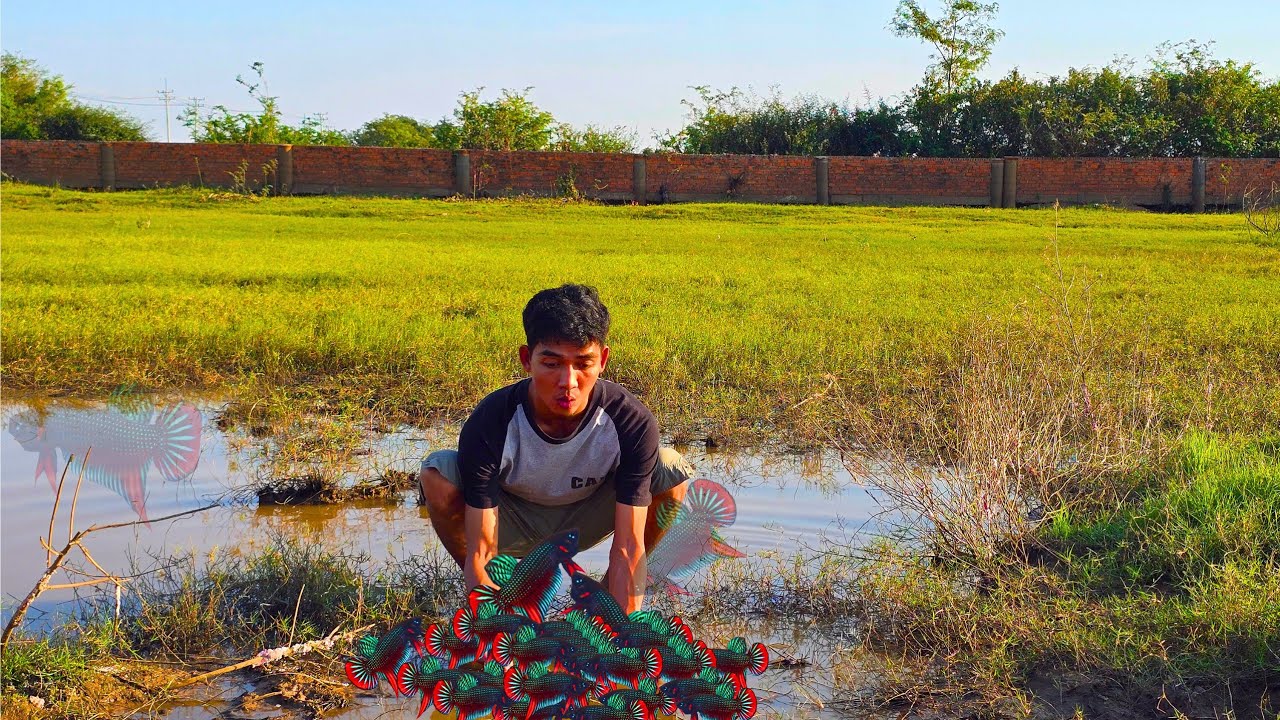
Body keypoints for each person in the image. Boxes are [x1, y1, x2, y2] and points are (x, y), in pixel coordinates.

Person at [418, 284, 691, 612]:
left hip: (586, 517)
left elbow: (628, 549)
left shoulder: (630, 421)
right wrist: (496, 630)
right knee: (439, 472)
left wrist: (620, 631)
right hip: (511, 519)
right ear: (526, 359)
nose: (568, 382)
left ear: (603, 360)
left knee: (670, 469)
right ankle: (504, 600)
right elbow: (482, 551)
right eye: (551, 363)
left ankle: (604, 601)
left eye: (583, 363)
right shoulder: (491, 421)